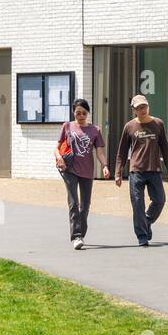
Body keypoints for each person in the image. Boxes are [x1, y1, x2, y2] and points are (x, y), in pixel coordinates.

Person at [114, 94, 168, 246]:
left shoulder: (158, 124)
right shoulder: (129, 127)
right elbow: (121, 152)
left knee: (160, 200)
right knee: (137, 204)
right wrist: (118, 173)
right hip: (136, 172)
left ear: (148, 106)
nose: (142, 110)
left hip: (154, 170)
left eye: (144, 107)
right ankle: (142, 236)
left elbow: (165, 148)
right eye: (139, 108)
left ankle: (146, 221)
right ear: (133, 110)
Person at [56, 98, 108, 250]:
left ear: (88, 113)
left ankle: (80, 233)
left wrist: (104, 166)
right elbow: (57, 147)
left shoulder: (95, 130)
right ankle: (76, 236)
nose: (81, 116)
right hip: (69, 169)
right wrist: (59, 157)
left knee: (85, 206)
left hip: (87, 171)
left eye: (84, 113)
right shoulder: (67, 126)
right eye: (78, 113)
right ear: (73, 112)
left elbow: (99, 152)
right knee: (73, 203)